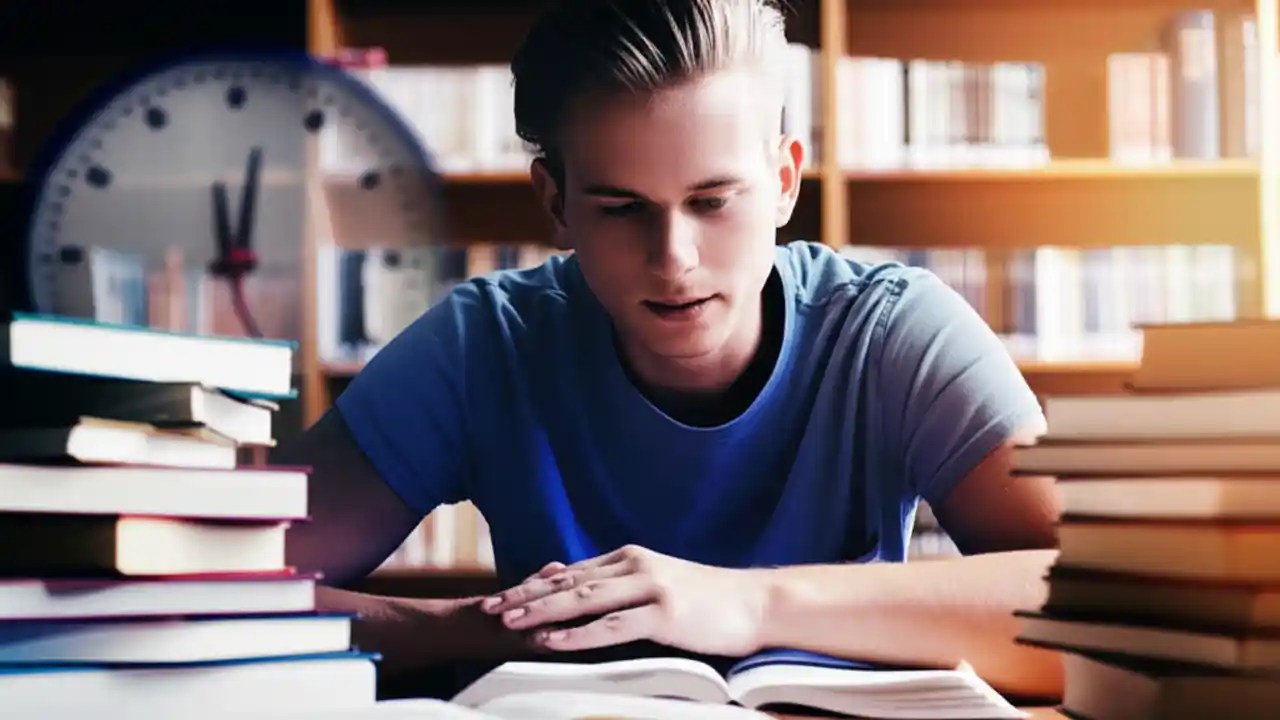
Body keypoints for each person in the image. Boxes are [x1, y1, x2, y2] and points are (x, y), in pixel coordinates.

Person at [276, 0, 1063, 702]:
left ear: (785, 180)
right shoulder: (484, 345)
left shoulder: (893, 335)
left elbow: (1105, 609)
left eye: (713, 201)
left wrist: (744, 604)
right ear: (554, 201)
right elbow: (207, 589)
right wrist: (491, 627)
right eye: (622, 209)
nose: (674, 259)